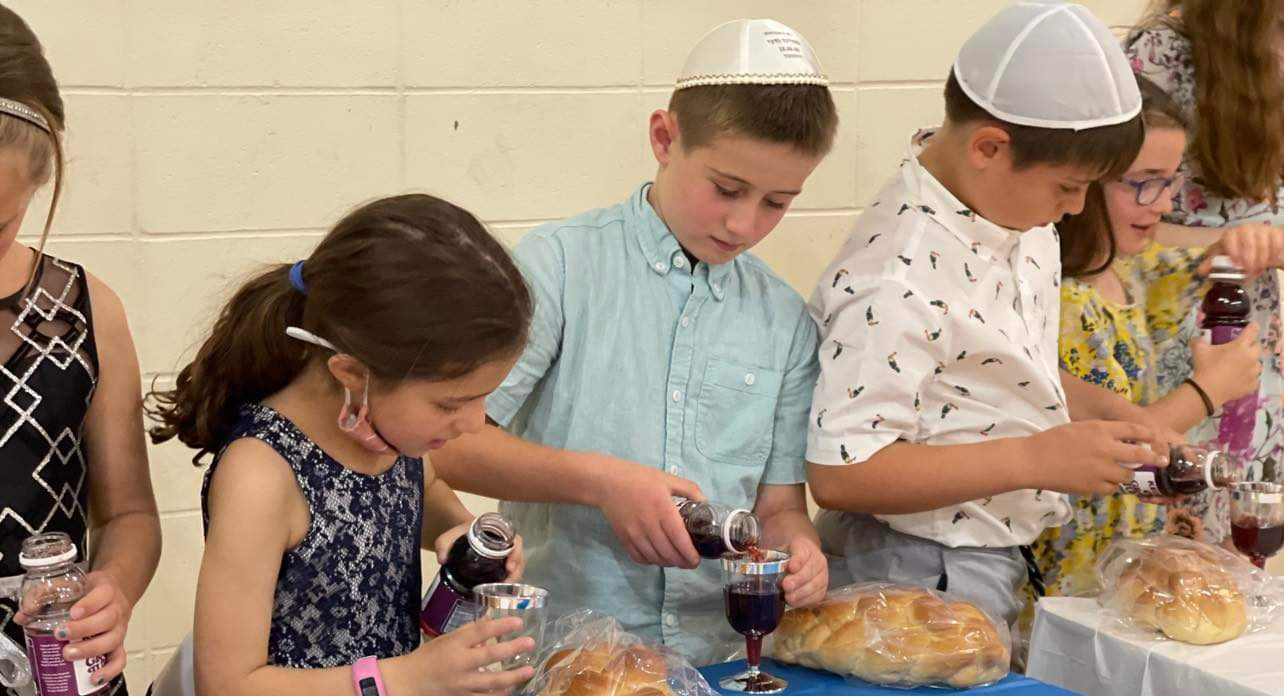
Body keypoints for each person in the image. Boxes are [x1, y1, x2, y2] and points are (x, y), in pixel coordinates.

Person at [430, 18, 836, 662]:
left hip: (715, 660)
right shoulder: (561, 267)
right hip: (560, 655)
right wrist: (599, 482)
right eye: (727, 189)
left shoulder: (783, 320)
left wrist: (801, 553)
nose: (743, 223)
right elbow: (448, 446)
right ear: (664, 138)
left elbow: (779, 508)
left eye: (777, 203)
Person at [806, 2, 1164, 628]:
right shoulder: (897, 274)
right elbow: (842, 470)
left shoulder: (1016, 215)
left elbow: (993, 376)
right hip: (911, 566)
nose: (1078, 208)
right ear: (990, 147)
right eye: (1068, 185)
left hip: (985, 558)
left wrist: (1112, 414)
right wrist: (1035, 459)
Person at [147, 195, 536, 696]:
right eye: (449, 404)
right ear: (352, 374)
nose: (475, 422)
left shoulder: (386, 433)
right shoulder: (261, 476)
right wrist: (407, 679)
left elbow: (424, 486)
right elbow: (227, 684)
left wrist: (463, 533)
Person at [0, 5, 161, 694]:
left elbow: (129, 514)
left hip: (57, 675)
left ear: (40, 181)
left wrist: (113, 593)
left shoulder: (84, 310)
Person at [1125, 0, 1284, 544]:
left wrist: (1270, 242)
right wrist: (1218, 245)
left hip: (1251, 340)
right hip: (1173, 330)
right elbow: (1105, 221)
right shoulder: (1161, 54)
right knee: (1171, 517)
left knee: (1246, 522)